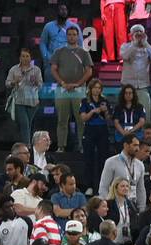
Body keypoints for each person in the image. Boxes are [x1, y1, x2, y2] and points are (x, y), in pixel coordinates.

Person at [51, 24, 93, 153]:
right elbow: (53, 69)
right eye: (69, 34)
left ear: (78, 36)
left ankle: (81, 146)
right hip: (62, 89)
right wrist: (62, 83)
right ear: (66, 36)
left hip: (79, 90)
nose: (71, 37)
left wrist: (78, 84)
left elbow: (89, 72)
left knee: (81, 120)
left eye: (74, 34)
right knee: (62, 120)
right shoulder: (58, 52)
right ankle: (61, 146)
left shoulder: (84, 52)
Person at [5, 48, 41, 147]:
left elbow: (41, 85)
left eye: (27, 56)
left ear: (30, 58)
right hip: (19, 101)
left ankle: (23, 146)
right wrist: (14, 82)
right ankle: (27, 146)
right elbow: (7, 83)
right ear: (19, 58)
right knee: (24, 124)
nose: (25, 58)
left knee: (27, 124)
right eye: (23, 56)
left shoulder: (36, 70)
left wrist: (36, 82)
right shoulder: (14, 69)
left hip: (33, 101)